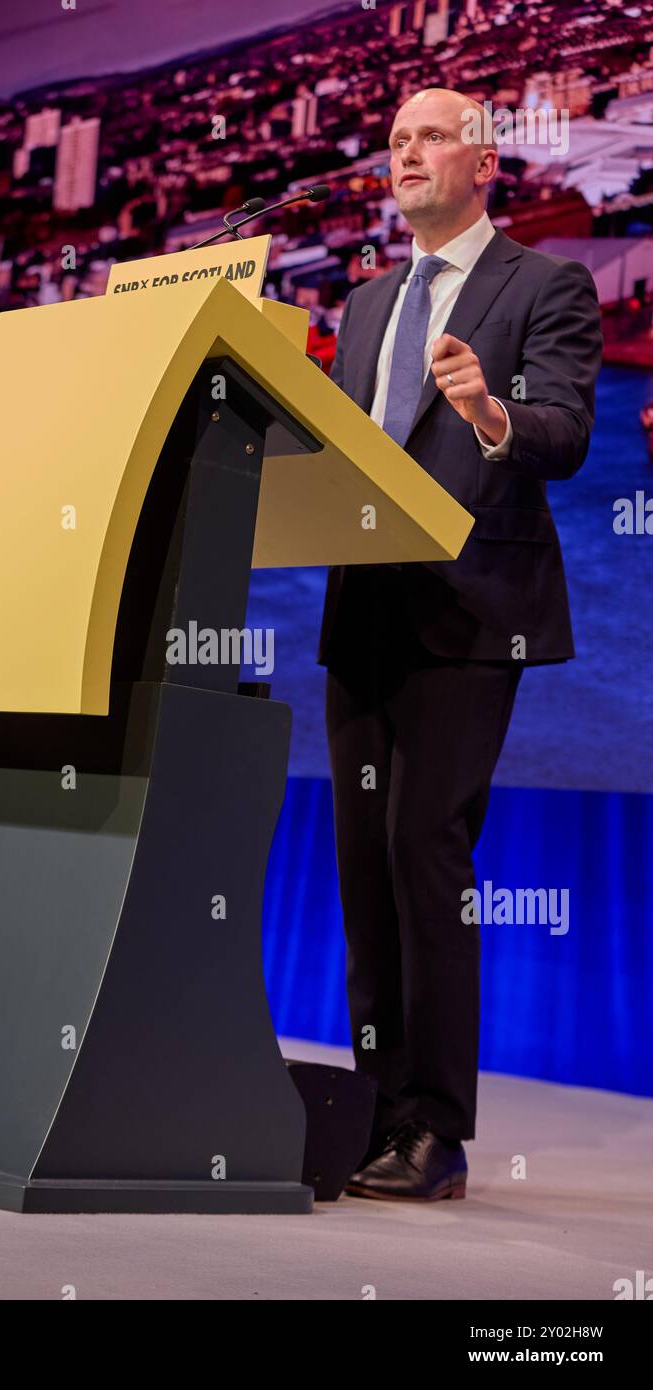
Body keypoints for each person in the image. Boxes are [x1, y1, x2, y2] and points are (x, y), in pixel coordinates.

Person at [317, 87, 603, 1201]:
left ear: (485, 163)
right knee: (360, 864)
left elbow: (566, 435)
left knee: (422, 849)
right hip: (361, 610)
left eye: (428, 136)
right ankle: (374, 1109)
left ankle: (436, 1127)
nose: (404, 155)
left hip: (472, 608)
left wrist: (491, 411)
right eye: (393, 142)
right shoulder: (358, 304)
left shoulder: (546, 284)